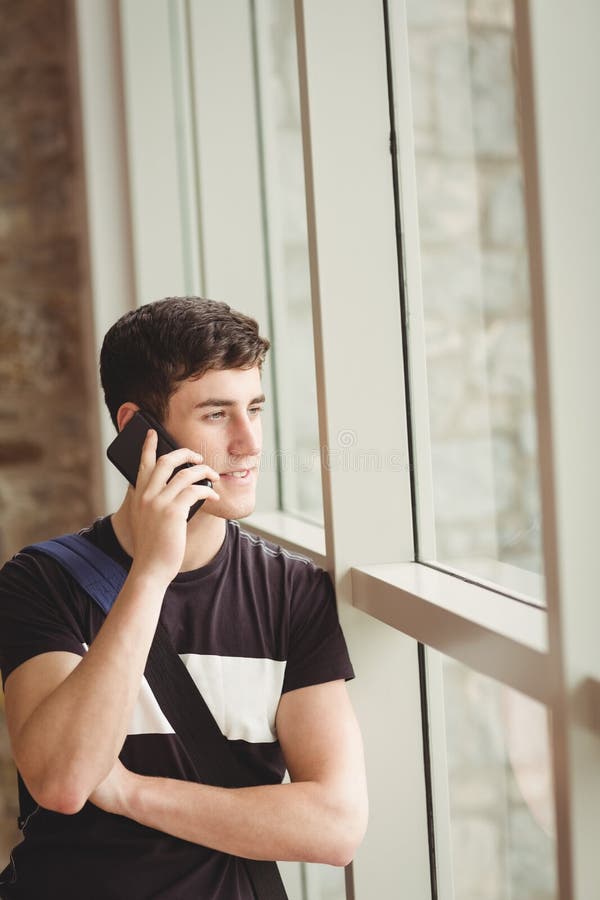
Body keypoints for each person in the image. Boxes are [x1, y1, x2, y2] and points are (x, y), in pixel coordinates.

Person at [0, 296, 368, 899]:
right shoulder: (40, 581)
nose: (249, 443)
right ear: (137, 429)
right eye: (217, 415)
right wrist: (150, 574)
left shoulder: (292, 592)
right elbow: (64, 781)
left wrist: (130, 792)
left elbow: (335, 826)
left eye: (254, 408)